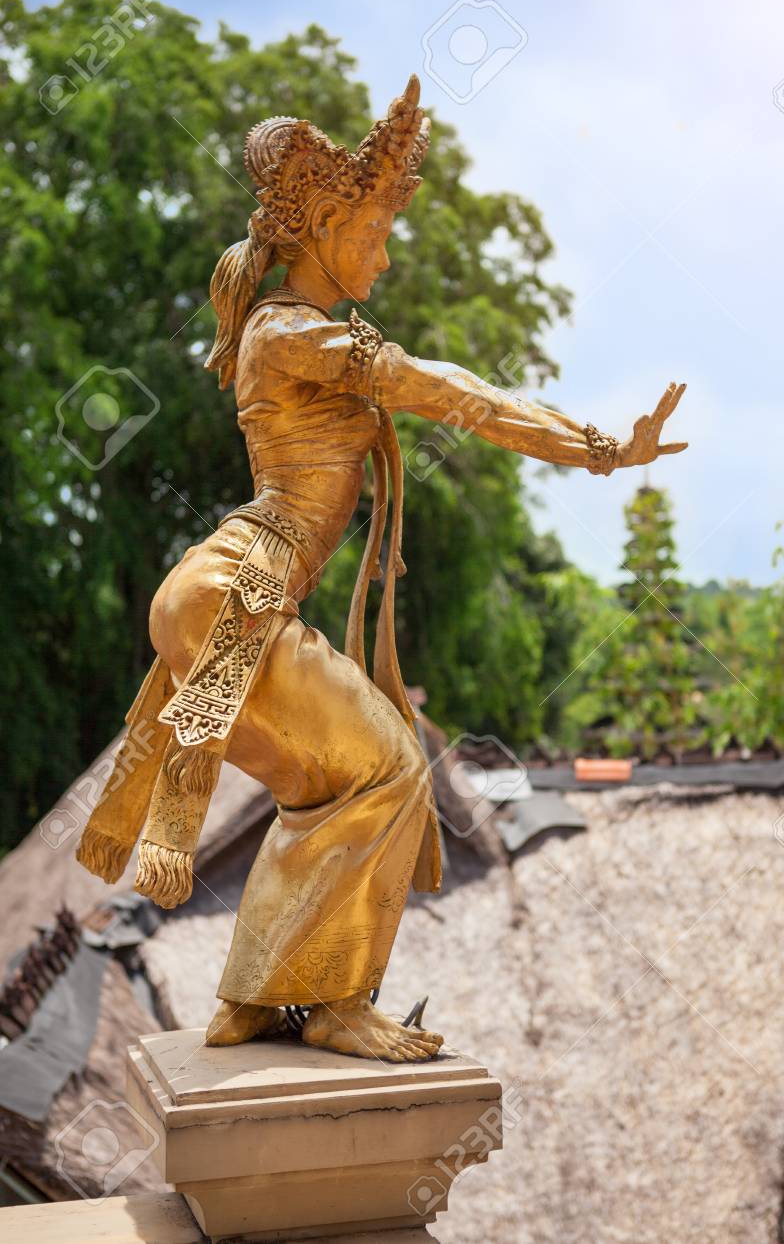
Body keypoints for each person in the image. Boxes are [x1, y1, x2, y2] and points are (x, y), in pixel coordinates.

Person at [76, 76, 686, 1062]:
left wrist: (601, 449)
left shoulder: (297, 332)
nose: (386, 255)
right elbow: (452, 393)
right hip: (238, 587)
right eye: (374, 231)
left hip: (226, 591)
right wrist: (601, 448)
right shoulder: (291, 333)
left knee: (330, 789)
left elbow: (448, 391)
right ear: (322, 224)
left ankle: (257, 998)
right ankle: (329, 1004)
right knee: (394, 770)